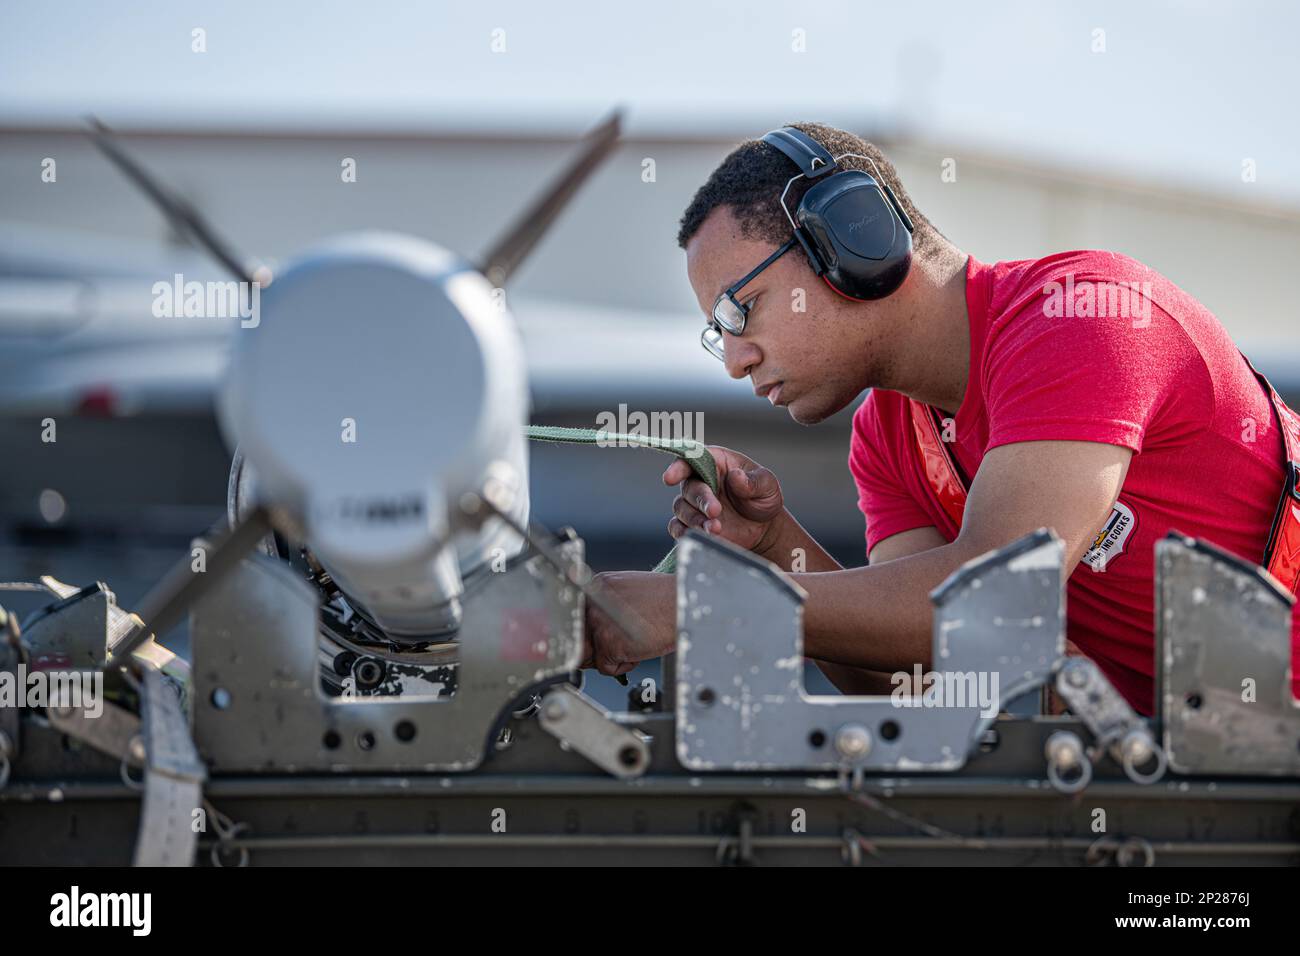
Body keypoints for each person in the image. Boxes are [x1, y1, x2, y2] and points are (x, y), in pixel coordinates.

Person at [581, 121, 1300, 715]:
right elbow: (921, 678)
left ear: (852, 239)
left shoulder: (1082, 318)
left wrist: (700, 605)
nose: (735, 361)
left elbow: (993, 598)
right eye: (717, 333)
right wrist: (773, 544)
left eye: (741, 310)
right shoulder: (888, 437)